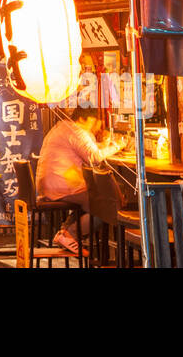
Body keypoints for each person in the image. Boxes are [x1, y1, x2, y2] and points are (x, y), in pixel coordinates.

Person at [36, 107, 124, 254]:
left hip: (51, 184)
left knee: (96, 201)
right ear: (83, 119)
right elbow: (93, 158)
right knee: (106, 204)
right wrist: (118, 145)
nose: (96, 126)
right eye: (94, 121)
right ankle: (71, 234)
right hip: (62, 185)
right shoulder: (76, 131)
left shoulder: (63, 127)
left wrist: (105, 145)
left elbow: (86, 149)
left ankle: (64, 233)